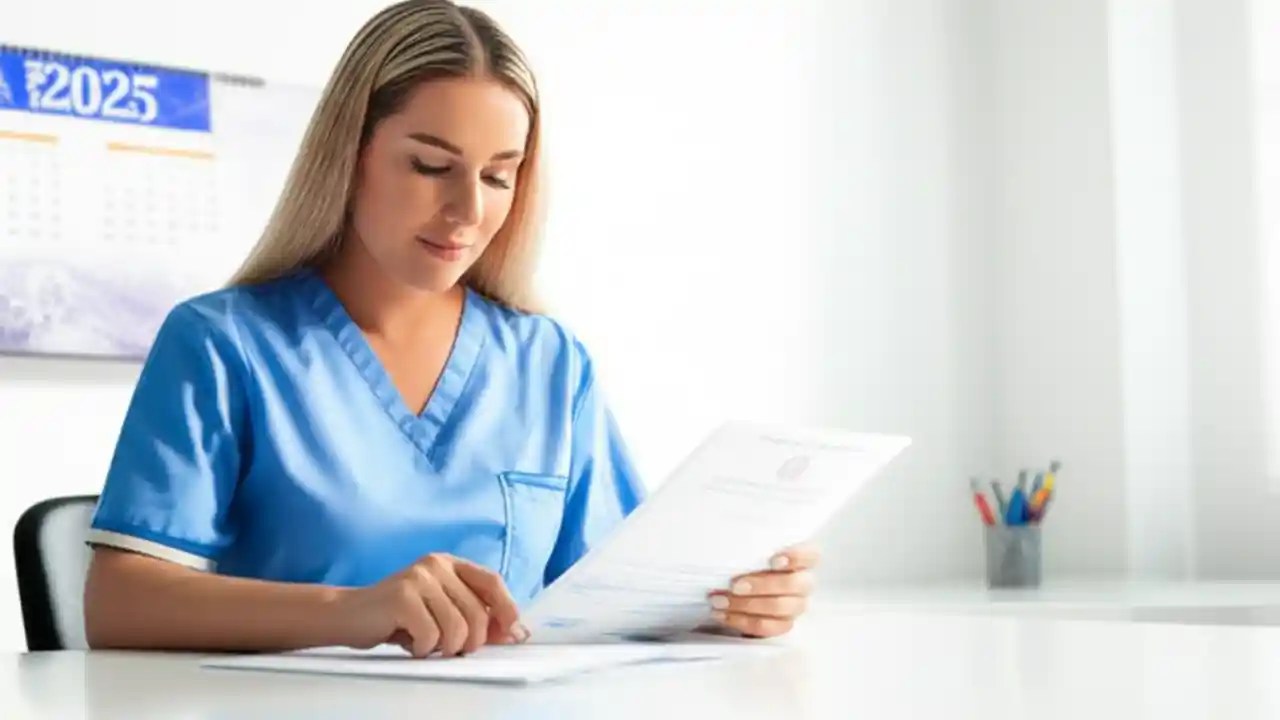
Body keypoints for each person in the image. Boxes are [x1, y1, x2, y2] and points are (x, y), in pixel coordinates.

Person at [82, 0, 819, 659]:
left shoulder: (550, 361)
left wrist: (728, 604)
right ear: (351, 154)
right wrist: (356, 611)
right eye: (432, 166)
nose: (468, 211)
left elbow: (610, 599)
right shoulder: (222, 344)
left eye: (499, 176)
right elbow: (117, 604)